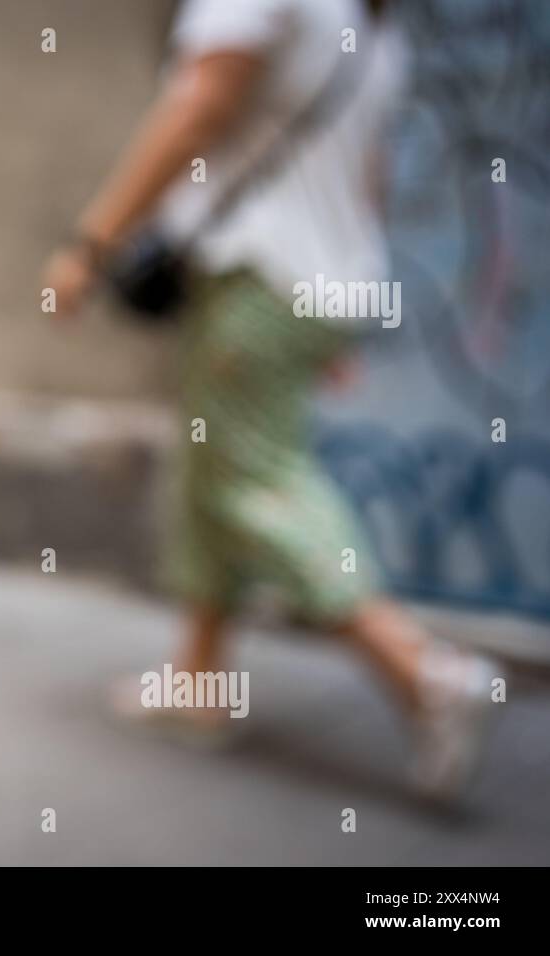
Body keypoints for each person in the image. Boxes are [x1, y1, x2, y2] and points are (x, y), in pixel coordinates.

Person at [42, 0, 496, 798]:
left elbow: (199, 108)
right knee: (213, 474)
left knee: (255, 480)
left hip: (255, 275)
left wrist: (92, 242)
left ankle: (426, 674)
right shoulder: (374, 29)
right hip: (318, 284)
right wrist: (339, 320)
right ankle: (198, 685)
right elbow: (368, 181)